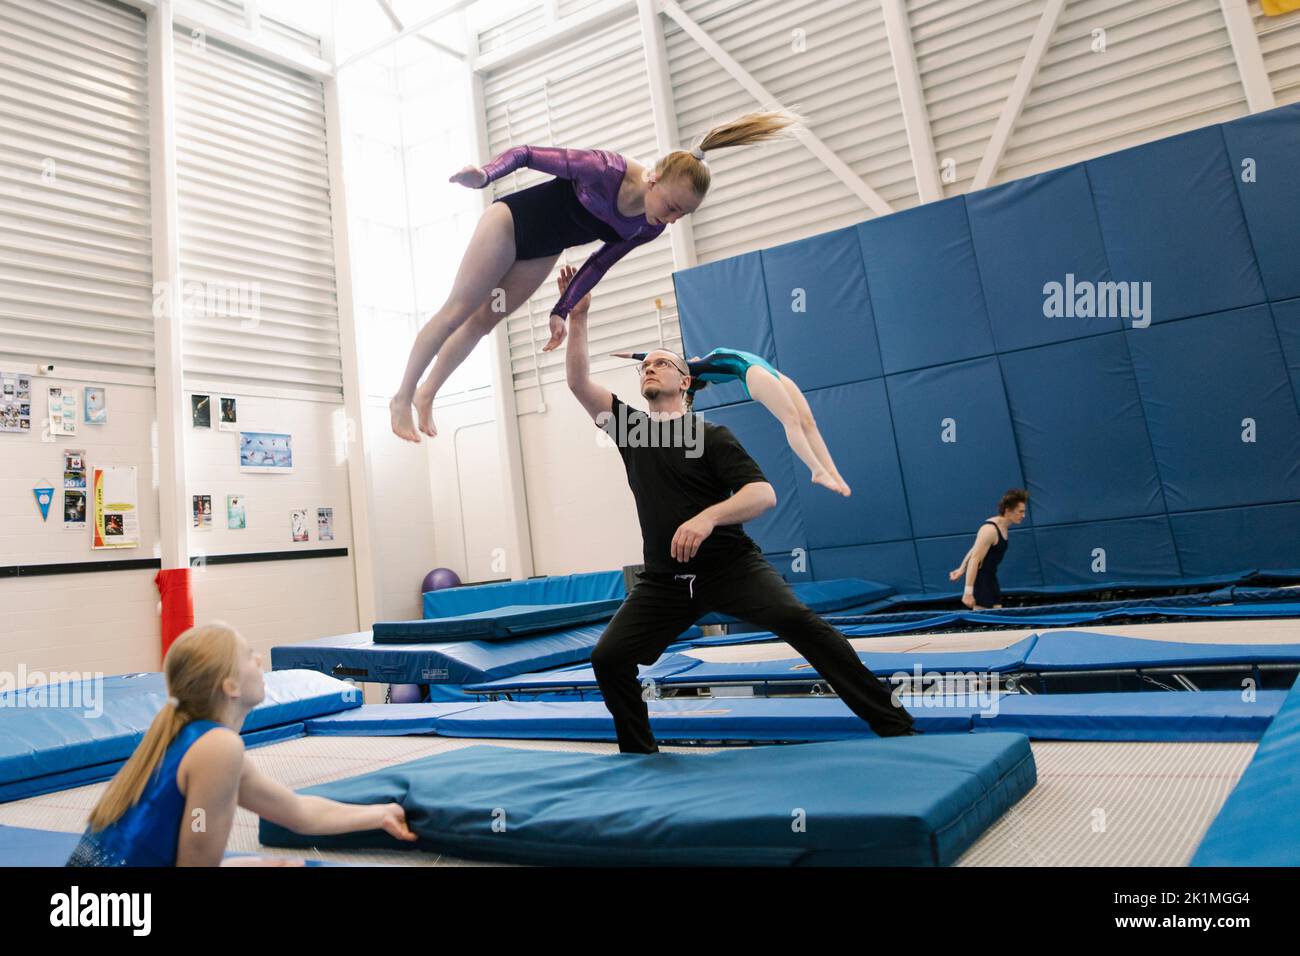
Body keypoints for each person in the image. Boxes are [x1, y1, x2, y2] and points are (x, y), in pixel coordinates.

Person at [561, 268, 915, 753]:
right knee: (608, 657)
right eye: (645, 366)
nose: (649, 369)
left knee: (802, 624)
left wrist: (707, 517)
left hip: (732, 569)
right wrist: (578, 318)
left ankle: (895, 725)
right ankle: (639, 756)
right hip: (665, 582)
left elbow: (762, 495)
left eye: (662, 364)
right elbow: (579, 382)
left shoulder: (711, 436)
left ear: (685, 381)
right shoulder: (632, 432)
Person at [390, 109, 802, 442]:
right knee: (458, 311)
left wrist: (561, 309)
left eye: (683, 215)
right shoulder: (605, 169)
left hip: (543, 250)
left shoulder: (650, 225)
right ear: (654, 178)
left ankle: (428, 394)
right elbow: (529, 153)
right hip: (510, 223)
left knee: (484, 321)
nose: (673, 220)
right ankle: (402, 396)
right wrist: (485, 175)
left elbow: (600, 262)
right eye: (673, 207)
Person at [67, 623, 415, 866]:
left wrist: (380, 814)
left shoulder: (194, 738)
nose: (260, 659)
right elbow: (196, 854)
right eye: (249, 655)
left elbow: (298, 813)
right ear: (230, 686)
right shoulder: (217, 749)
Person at [613, 348, 850, 495]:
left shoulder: (710, 370)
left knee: (808, 421)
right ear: (690, 376)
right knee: (791, 419)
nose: (692, 358)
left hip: (768, 370)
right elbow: (657, 356)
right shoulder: (700, 367)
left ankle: (832, 471)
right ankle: (816, 470)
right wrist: (632, 355)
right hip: (753, 372)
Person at [948, 489, 1029, 609]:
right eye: (1020, 511)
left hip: (991, 577)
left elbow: (974, 549)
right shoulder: (989, 530)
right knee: (983, 619)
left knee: (997, 616)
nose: (1023, 515)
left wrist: (961, 569)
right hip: (980, 580)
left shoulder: (1003, 527)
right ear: (1007, 511)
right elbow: (975, 559)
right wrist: (968, 592)